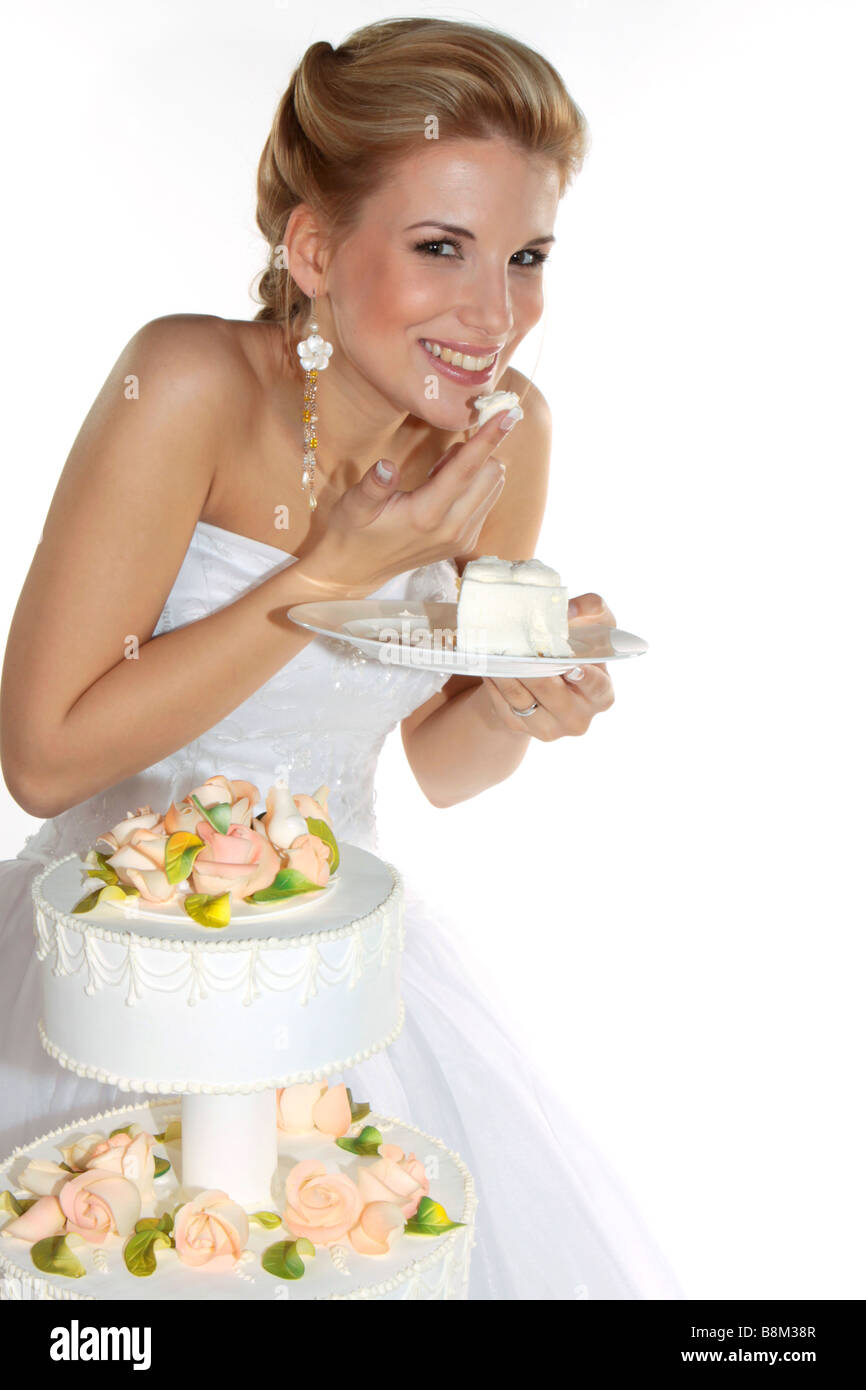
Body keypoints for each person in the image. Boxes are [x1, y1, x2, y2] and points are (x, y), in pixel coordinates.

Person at [0, 18, 681, 1299]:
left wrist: (527, 704)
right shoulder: (187, 380)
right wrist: (329, 574)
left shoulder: (504, 432)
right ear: (314, 250)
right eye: (441, 249)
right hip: (111, 971)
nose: (494, 315)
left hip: (334, 987)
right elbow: (41, 760)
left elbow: (442, 760)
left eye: (525, 257)